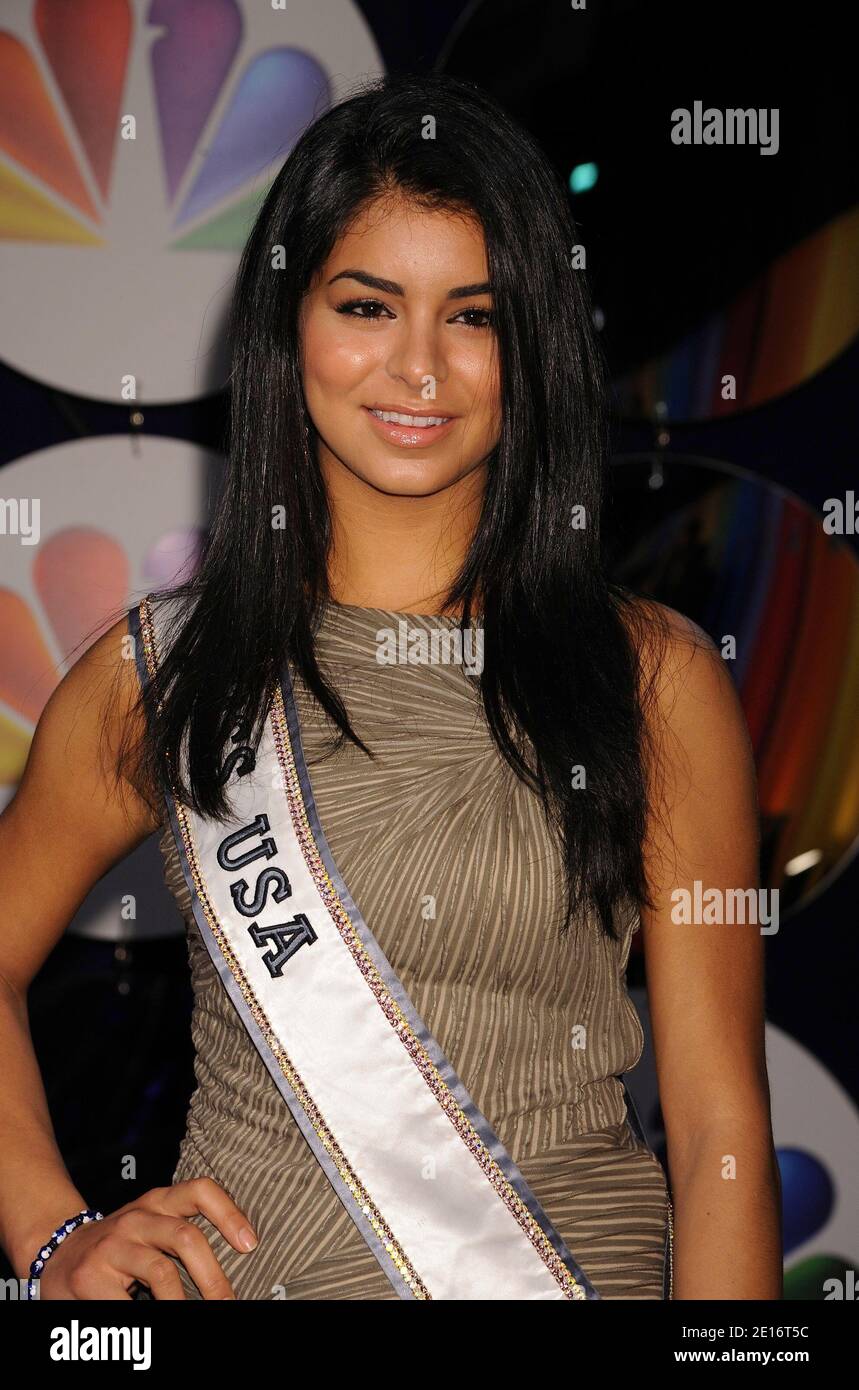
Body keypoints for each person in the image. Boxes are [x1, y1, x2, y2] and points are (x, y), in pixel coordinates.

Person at [0, 73, 781, 1300]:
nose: (418, 366)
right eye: (368, 304)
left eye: (472, 316)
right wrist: (54, 1237)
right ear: (290, 324)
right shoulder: (167, 675)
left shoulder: (654, 678)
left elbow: (721, 1118)